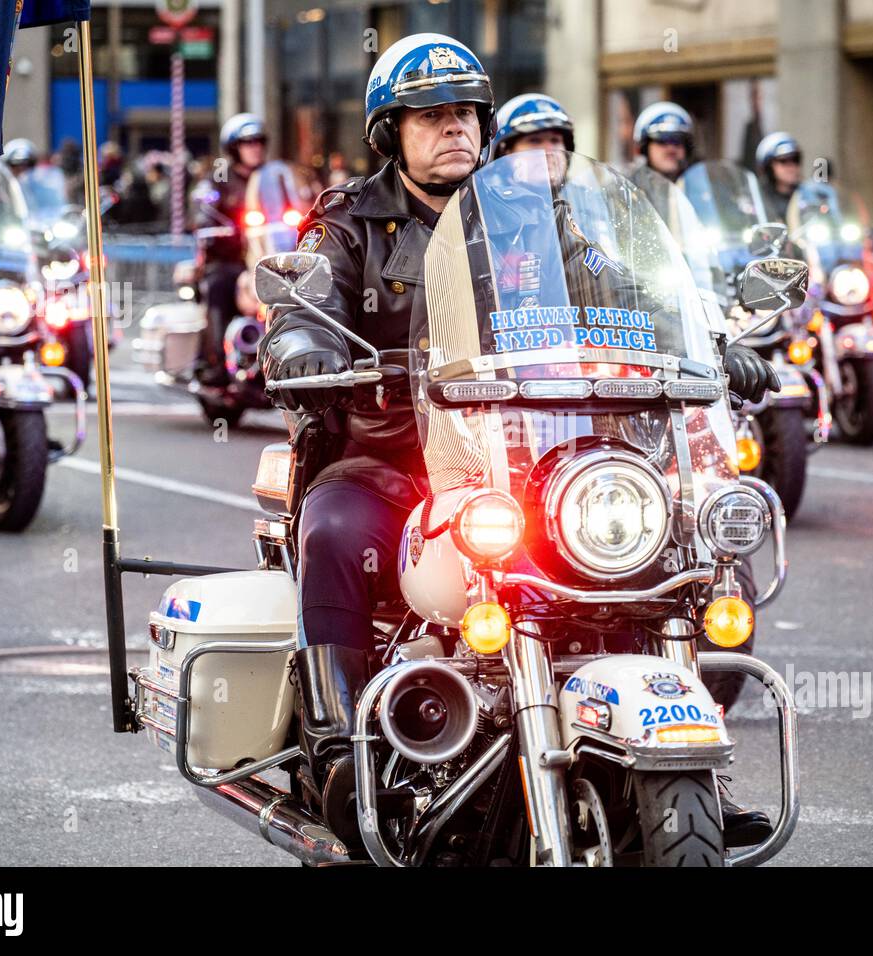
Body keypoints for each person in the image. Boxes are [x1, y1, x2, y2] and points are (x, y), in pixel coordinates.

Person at [261, 36, 780, 846]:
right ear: (389, 132)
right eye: (432, 116)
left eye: (466, 112)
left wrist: (710, 344)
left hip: (528, 451)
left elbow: (619, 286)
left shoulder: (534, 215)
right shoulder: (350, 221)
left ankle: (690, 767)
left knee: (667, 547)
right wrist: (302, 343)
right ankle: (338, 744)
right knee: (332, 528)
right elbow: (304, 298)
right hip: (394, 458)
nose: (455, 129)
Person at [190, 113, 268, 384]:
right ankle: (215, 363)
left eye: (259, 141)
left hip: (267, 260)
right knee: (220, 285)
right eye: (248, 142)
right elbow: (203, 212)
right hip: (229, 260)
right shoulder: (219, 180)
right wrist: (213, 229)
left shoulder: (271, 179)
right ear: (234, 148)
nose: (255, 147)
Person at [629, 101, 695, 191]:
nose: (671, 148)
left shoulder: (700, 190)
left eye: (677, 141)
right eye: (662, 140)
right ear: (644, 149)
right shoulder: (629, 191)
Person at [491, 93, 574, 159]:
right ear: (505, 152)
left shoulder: (581, 180)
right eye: (535, 140)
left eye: (555, 140)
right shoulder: (484, 180)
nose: (548, 151)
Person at [754, 131, 803, 223]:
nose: (791, 166)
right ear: (768, 166)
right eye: (783, 161)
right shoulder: (757, 197)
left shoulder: (807, 195)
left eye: (795, 159)